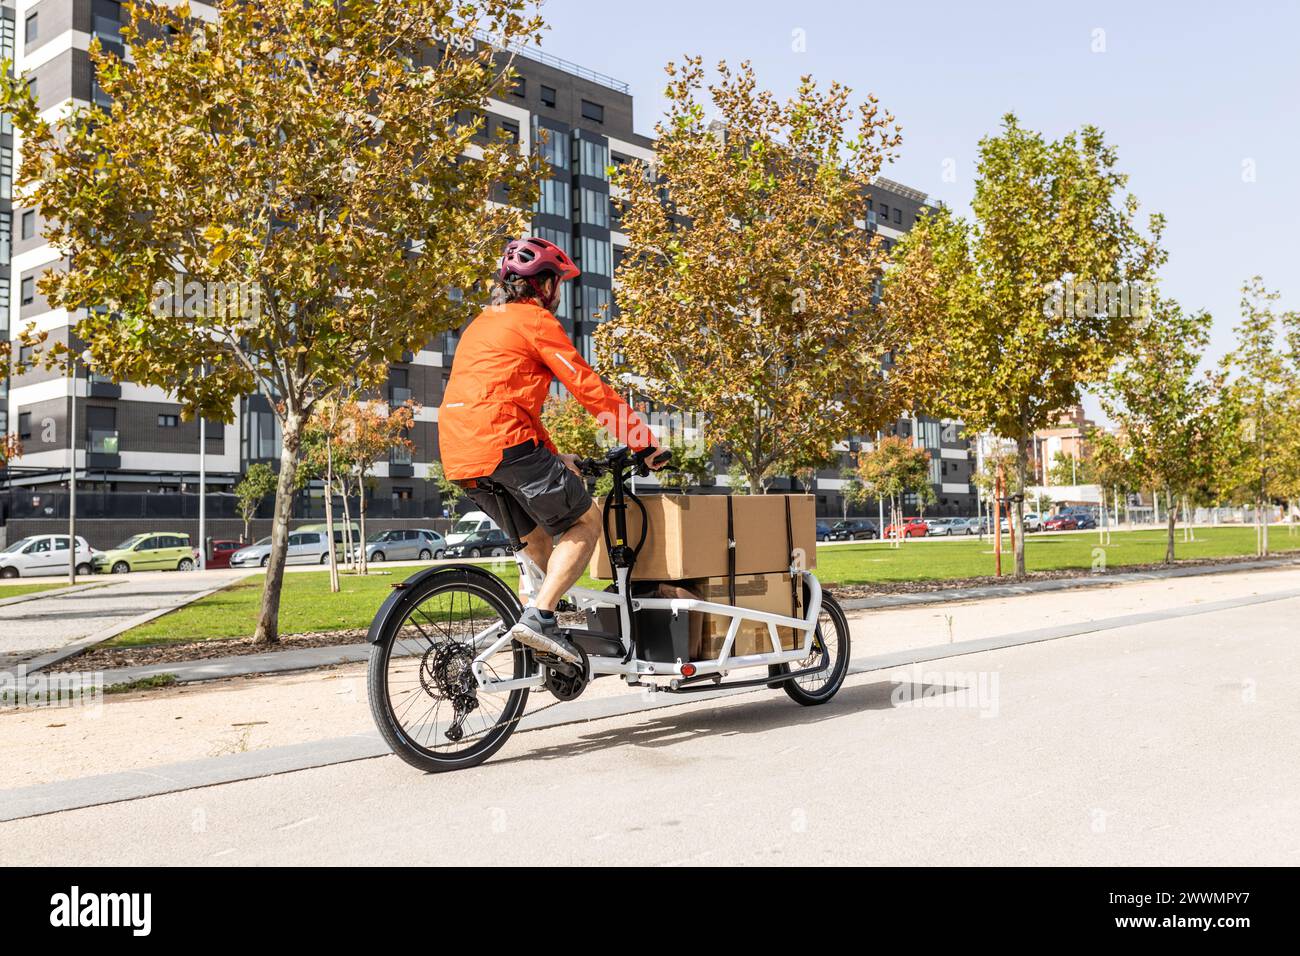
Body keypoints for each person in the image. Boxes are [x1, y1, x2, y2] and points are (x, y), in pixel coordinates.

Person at [437, 237, 668, 663]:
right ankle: (540, 617)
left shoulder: (483, 323)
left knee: (540, 537)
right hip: (504, 442)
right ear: (543, 286)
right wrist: (641, 440)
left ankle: (544, 640)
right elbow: (587, 387)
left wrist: (553, 453)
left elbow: (508, 400)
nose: (559, 293)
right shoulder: (535, 320)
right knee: (584, 522)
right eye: (557, 282)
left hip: (461, 452)